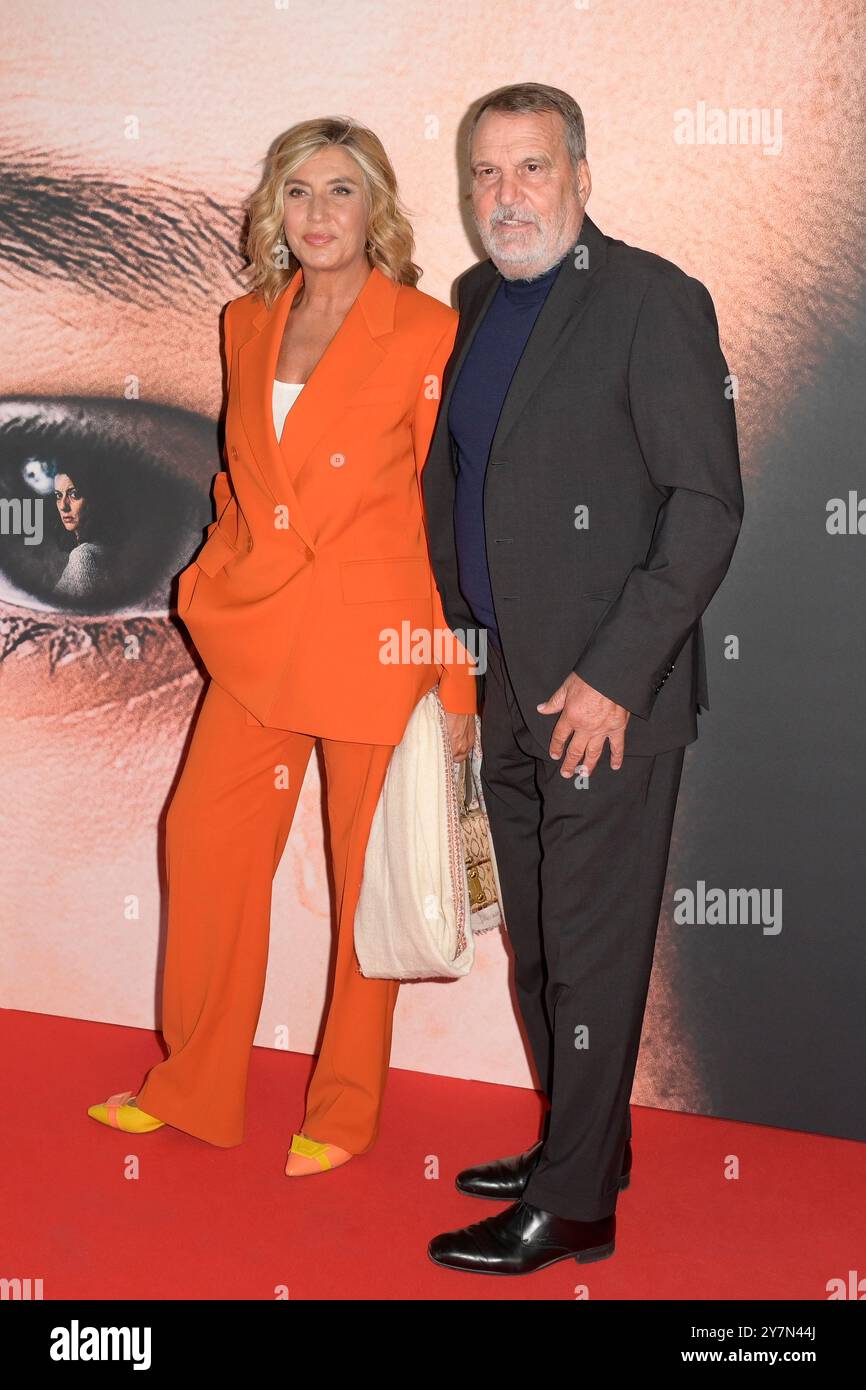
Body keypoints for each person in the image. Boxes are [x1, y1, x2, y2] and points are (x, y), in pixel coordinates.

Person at [87, 116, 477, 1176]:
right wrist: (210, 578)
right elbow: (241, 476)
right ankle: (196, 1085)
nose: (316, 213)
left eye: (339, 191)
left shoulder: (428, 329)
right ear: (274, 209)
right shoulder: (245, 320)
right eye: (297, 192)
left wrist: (453, 674)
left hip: (376, 638)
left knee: (367, 884)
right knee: (204, 846)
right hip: (258, 631)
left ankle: (343, 1111)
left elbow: (455, 506)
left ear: (376, 208)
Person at [422, 83, 744, 1273]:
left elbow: (706, 506)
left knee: (593, 951)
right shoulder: (474, 299)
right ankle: (580, 1144)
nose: (507, 196)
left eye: (531, 170)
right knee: (541, 948)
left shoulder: (651, 300)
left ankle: (576, 1208)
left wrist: (612, 677)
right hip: (507, 679)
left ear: (580, 174)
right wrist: (460, 648)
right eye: (486, 175)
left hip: (606, 698)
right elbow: (464, 485)